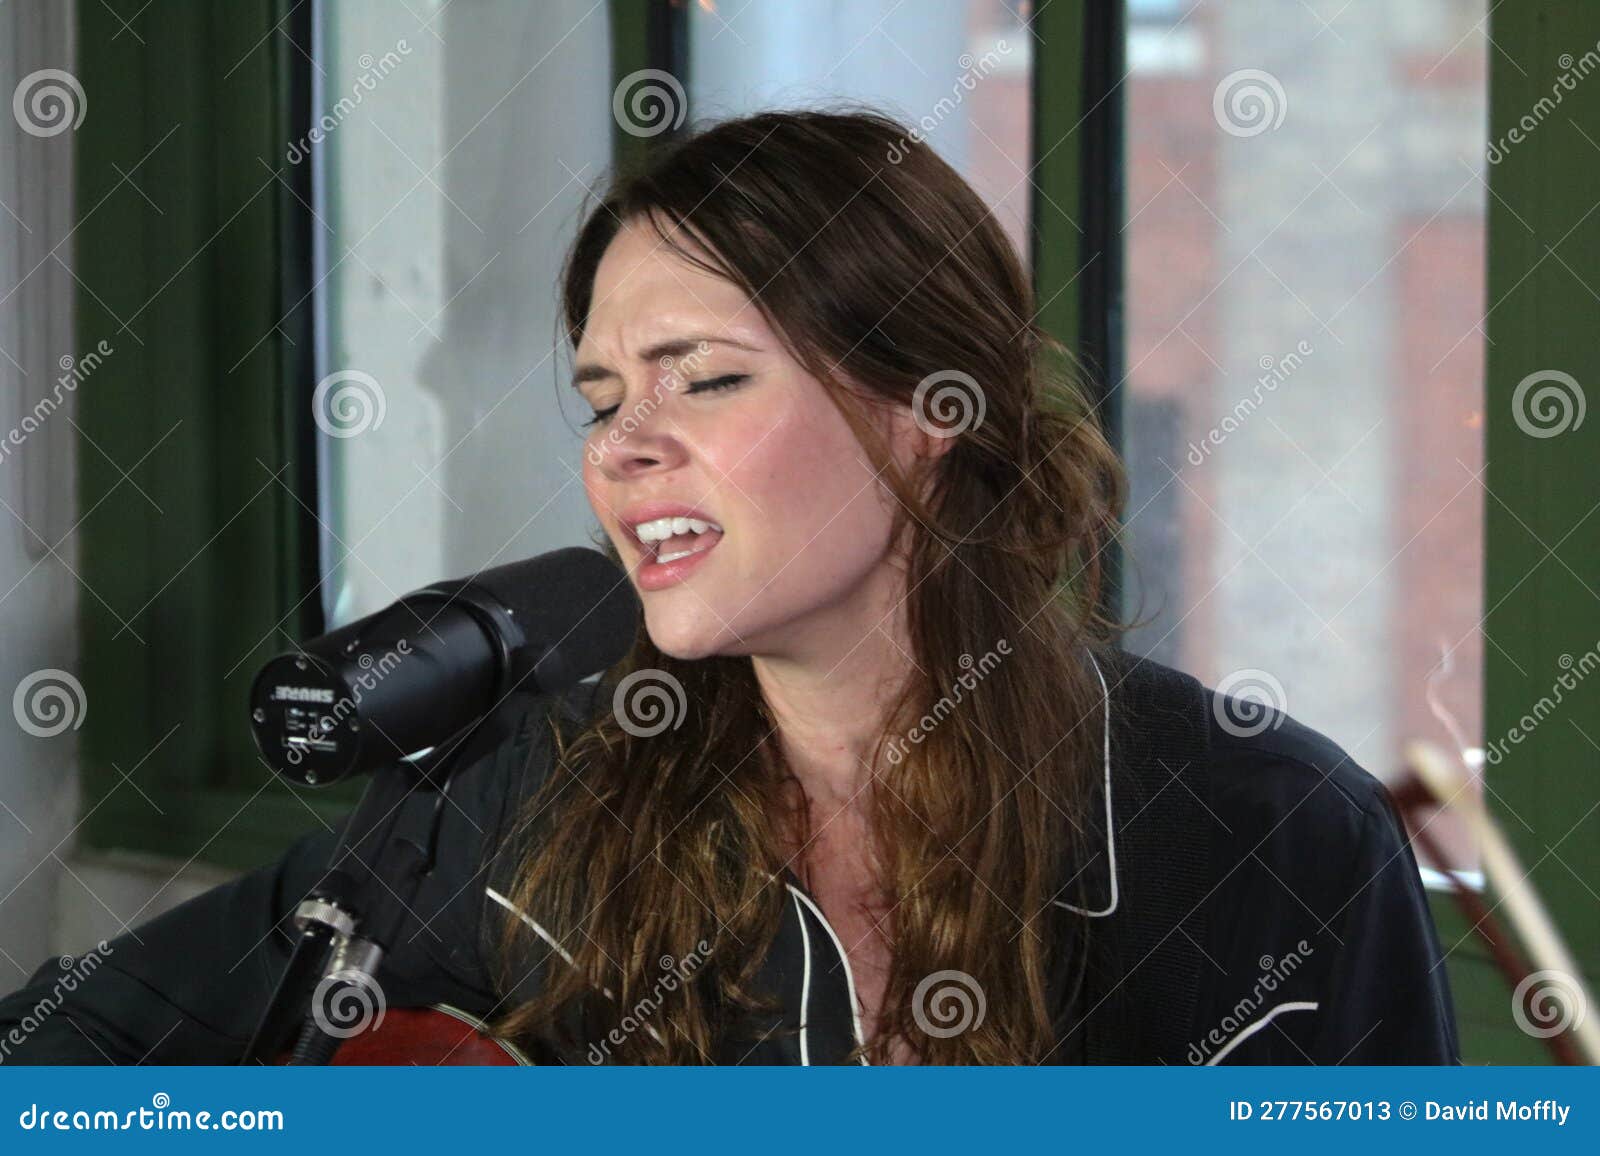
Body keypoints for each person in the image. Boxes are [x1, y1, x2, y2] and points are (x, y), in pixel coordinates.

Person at [0, 108, 1459, 1066]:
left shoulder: (1270, 836)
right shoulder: (528, 795)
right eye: (599, 397)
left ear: (925, 409)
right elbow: (75, 1049)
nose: (627, 446)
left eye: (705, 378)